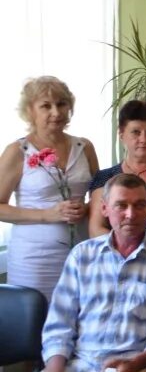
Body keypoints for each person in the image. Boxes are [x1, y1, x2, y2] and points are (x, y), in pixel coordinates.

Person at [30, 174, 146, 372]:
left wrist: (140, 362)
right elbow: (60, 322)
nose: (131, 214)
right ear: (104, 209)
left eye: (139, 205)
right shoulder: (82, 255)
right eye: (121, 205)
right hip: (75, 368)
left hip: (136, 370)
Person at [0, 76, 98, 300]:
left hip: (81, 251)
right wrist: (47, 214)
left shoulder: (85, 147)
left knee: (80, 322)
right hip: (34, 260)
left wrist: (86, 208)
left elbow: (100, 196)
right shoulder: (18, 151)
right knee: (35, 324)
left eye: (62, 104)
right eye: (46, 105)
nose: (56, 112)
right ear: (30, 111)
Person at [88, 100, 146, 245]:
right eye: (136, 132)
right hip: (116, 260)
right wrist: (130, 254)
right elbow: (96, 228)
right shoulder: (105, 178)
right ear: (121, 133)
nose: (143, 139)